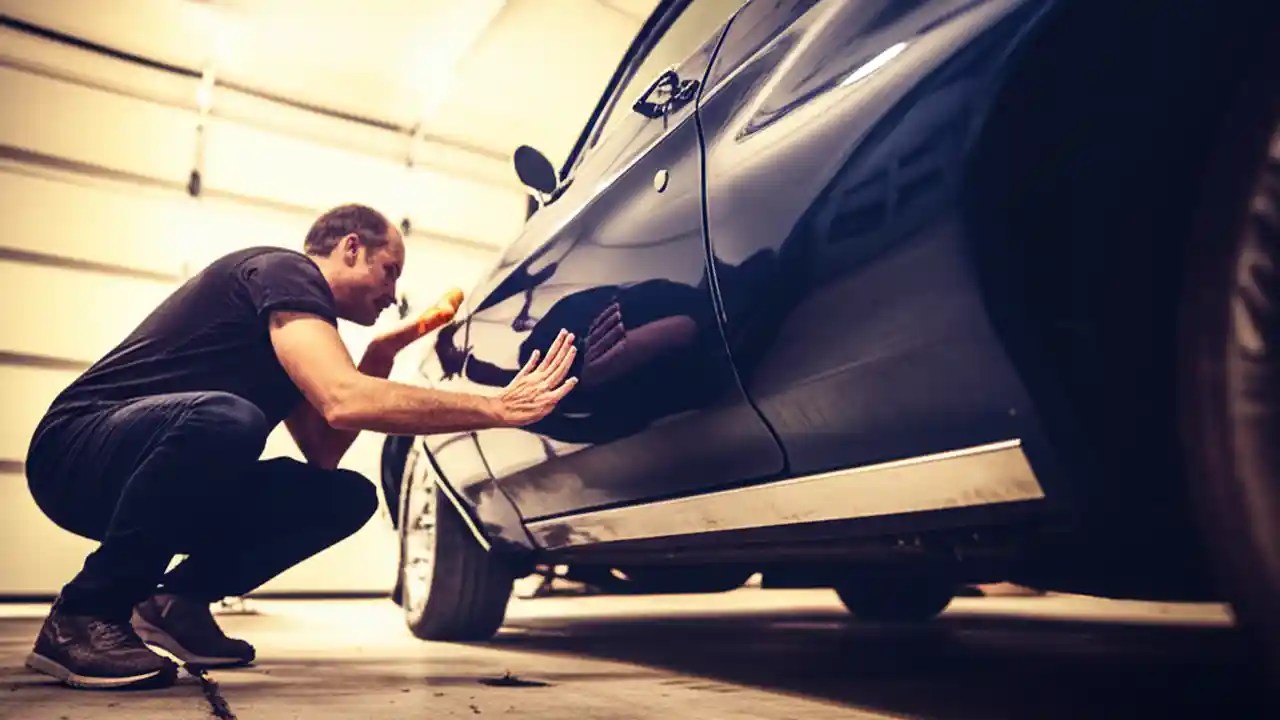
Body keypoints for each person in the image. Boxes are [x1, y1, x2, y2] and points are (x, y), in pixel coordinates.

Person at [22, 204, 578, 690]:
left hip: (155, 478)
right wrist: (498, 407)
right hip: (76, 451)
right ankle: (85, 612)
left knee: (342, 495)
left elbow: (323, 448)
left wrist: (380, 353)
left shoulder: (291, 331)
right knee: (229, 418)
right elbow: (343, 399)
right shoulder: (285, 271)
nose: (392, 295)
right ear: (351, 247)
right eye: (389, 273)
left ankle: (176, 602)